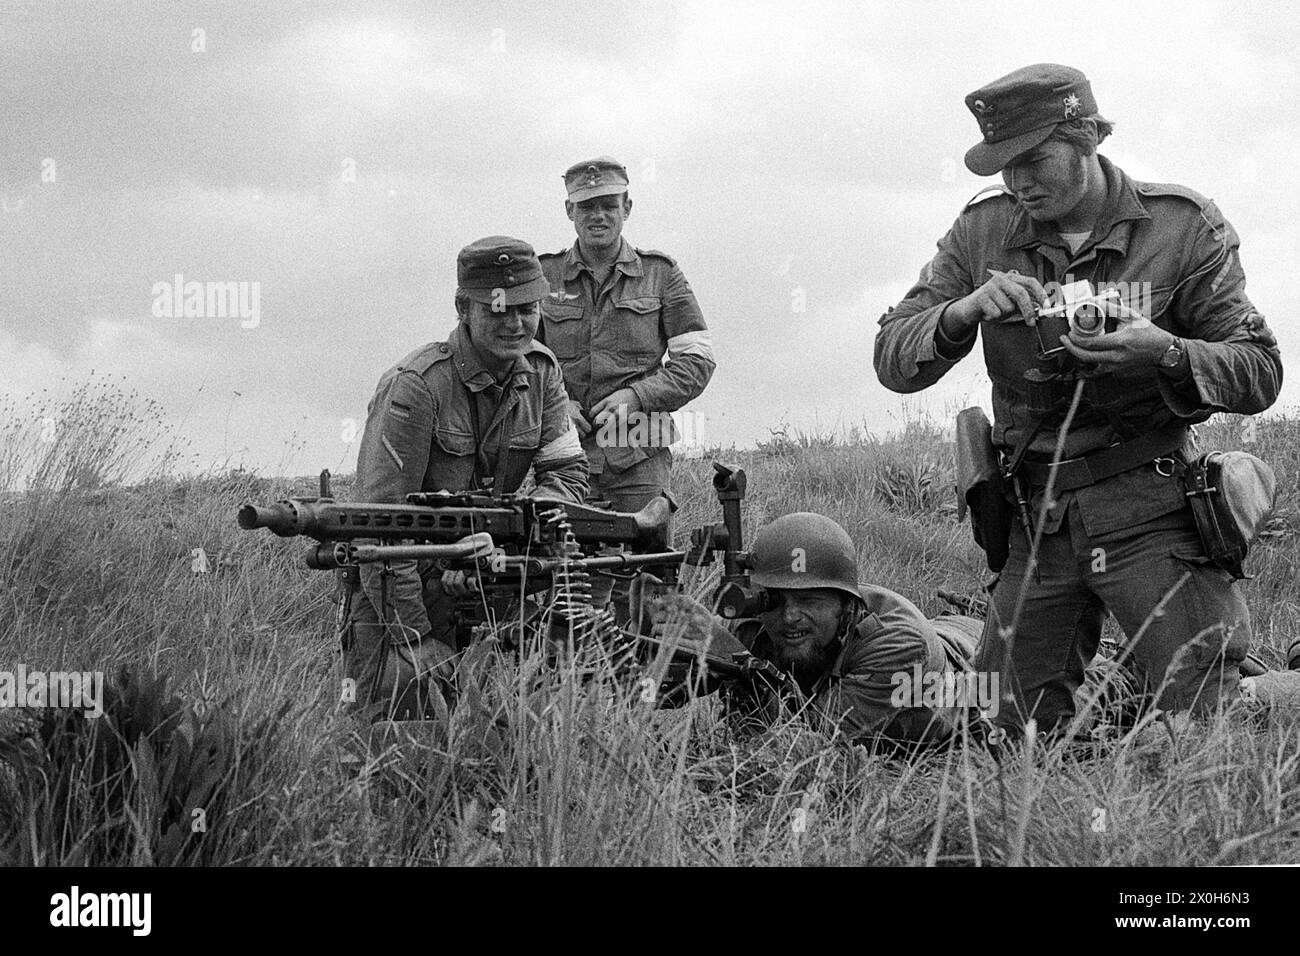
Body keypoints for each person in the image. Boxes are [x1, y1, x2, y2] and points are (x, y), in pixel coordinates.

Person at [873, 64, 1282, 736]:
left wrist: (1163, 350)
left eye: (1035, 159)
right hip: (1037, 521)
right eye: (1003, 166)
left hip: (1151, 512)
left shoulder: (1181, 227)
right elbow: (894, 357)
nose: (1019, 182)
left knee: (1199, 724)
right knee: (1011, 729)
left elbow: (1259, 372)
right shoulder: (983, 231)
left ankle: (1261, 718)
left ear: (1089, 133)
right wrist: (962, 311)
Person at [343, 236, 588, 722]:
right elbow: (377, 524)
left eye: (527, 307)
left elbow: (568, 472)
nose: (515, 323)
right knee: (395, 747)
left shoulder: (541, 372)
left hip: (488, 588)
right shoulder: (415, 386)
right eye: (498, 310)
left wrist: (515, 530)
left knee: (501, 745)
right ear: (462, 307)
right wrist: (414, 637)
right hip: (401, 591)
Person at [645, 512, 991, 752]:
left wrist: (734, 655)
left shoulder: (902, 646)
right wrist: (651, 650)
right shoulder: (755, 625)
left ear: (846, 603)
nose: (790, 617)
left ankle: (979, 610)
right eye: (775, 600)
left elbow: (809, 741)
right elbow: (669, 691)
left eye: (810, 600)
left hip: (970, 652)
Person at [538, 156, 716, 513]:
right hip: (563, 457)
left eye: (608, 205)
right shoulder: (544, 276)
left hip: (639, 457)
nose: (598, 215)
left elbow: (698, 361)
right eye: (587, 206)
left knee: (647, 563)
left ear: (627, 208)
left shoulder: (661, 275)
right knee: (559, 561)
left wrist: (636, 397)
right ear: (569, 209)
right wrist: (555, 406)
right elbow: (521, 363)